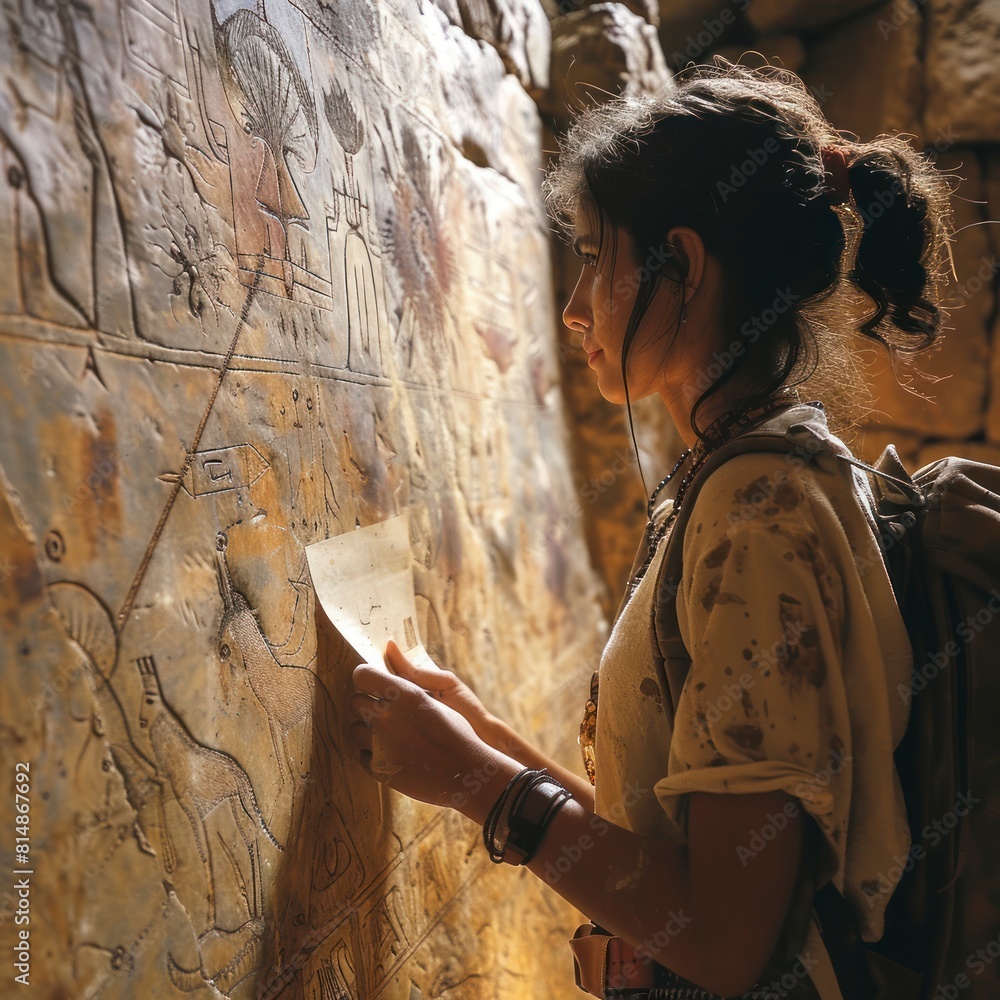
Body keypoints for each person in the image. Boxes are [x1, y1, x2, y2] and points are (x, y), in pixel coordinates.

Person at [347, 59, 957, 999]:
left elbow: (724, 939)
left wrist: (479, 784)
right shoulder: (737, 476)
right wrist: (483, 738)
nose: (574, 303)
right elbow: (685, 849)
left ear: (684, 263)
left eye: (596, 256)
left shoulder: (762, 517)